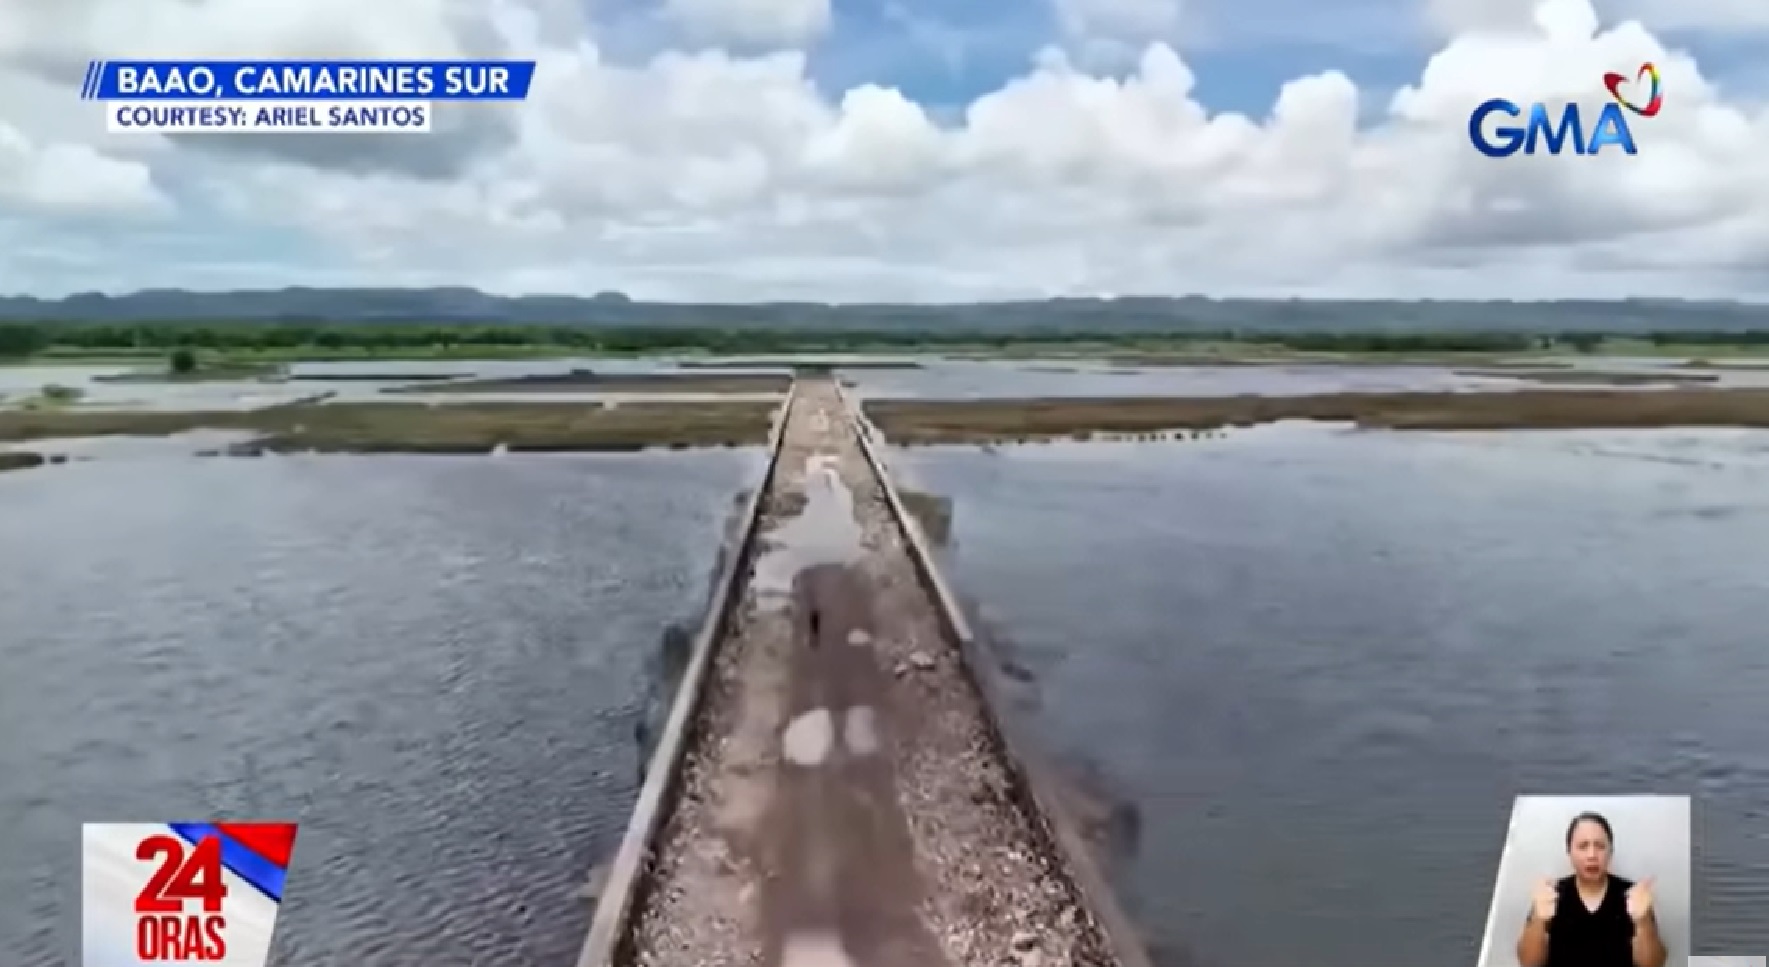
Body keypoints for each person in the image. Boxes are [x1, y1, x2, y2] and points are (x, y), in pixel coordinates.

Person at [1516, 811, 1668, 967]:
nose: (1592, 855)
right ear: (1569, 852)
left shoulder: (1633, 895)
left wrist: (1643, 922)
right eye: (1583, 846)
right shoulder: (1550, 895)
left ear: (1611, 851)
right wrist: (1539, 919)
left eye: (1600, 846)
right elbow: (1528, 963)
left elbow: (1653, 964)